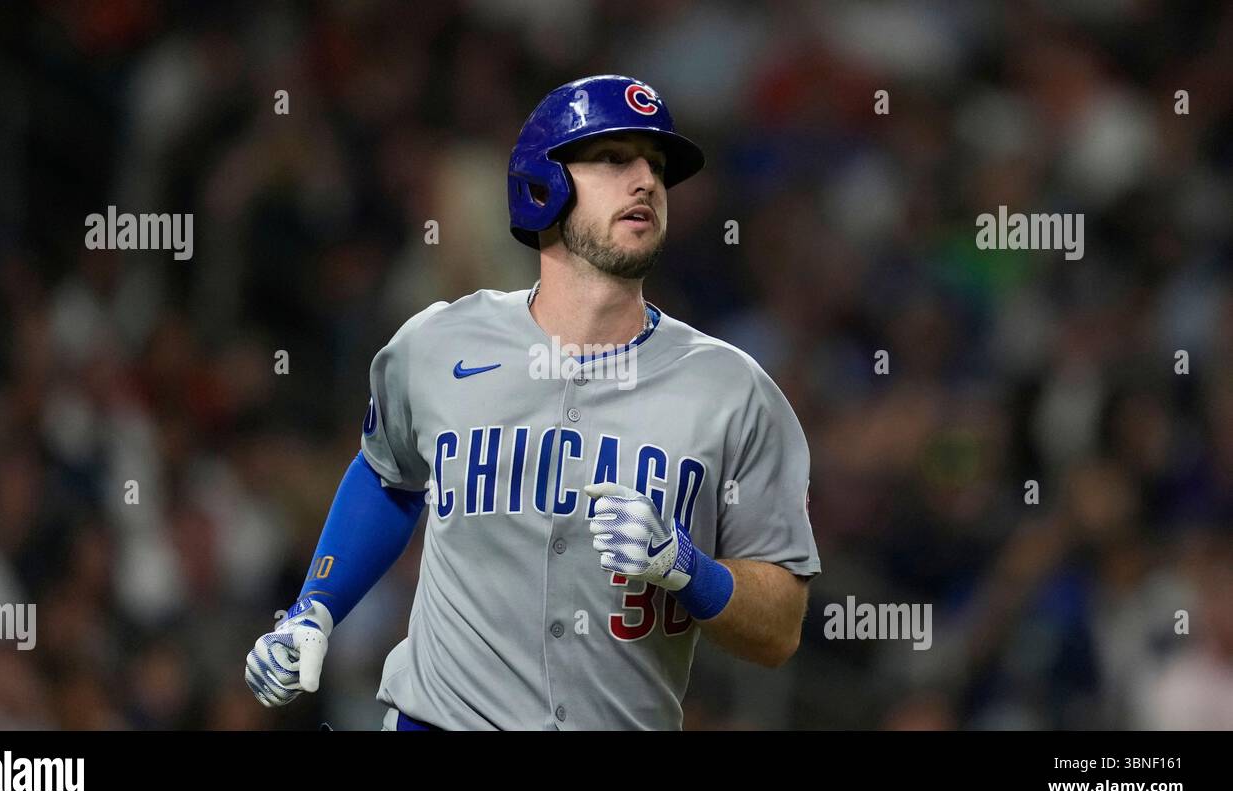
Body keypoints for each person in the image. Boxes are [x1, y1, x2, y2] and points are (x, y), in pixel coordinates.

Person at [244, 75, 821, 730]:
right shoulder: (437, 345)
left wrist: (692, 570)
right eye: (613, 158)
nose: (646, 182)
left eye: (657, 166)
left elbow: (779, 630)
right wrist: (313, 609)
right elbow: (387, 475)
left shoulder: (733, 390)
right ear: (541, 184)